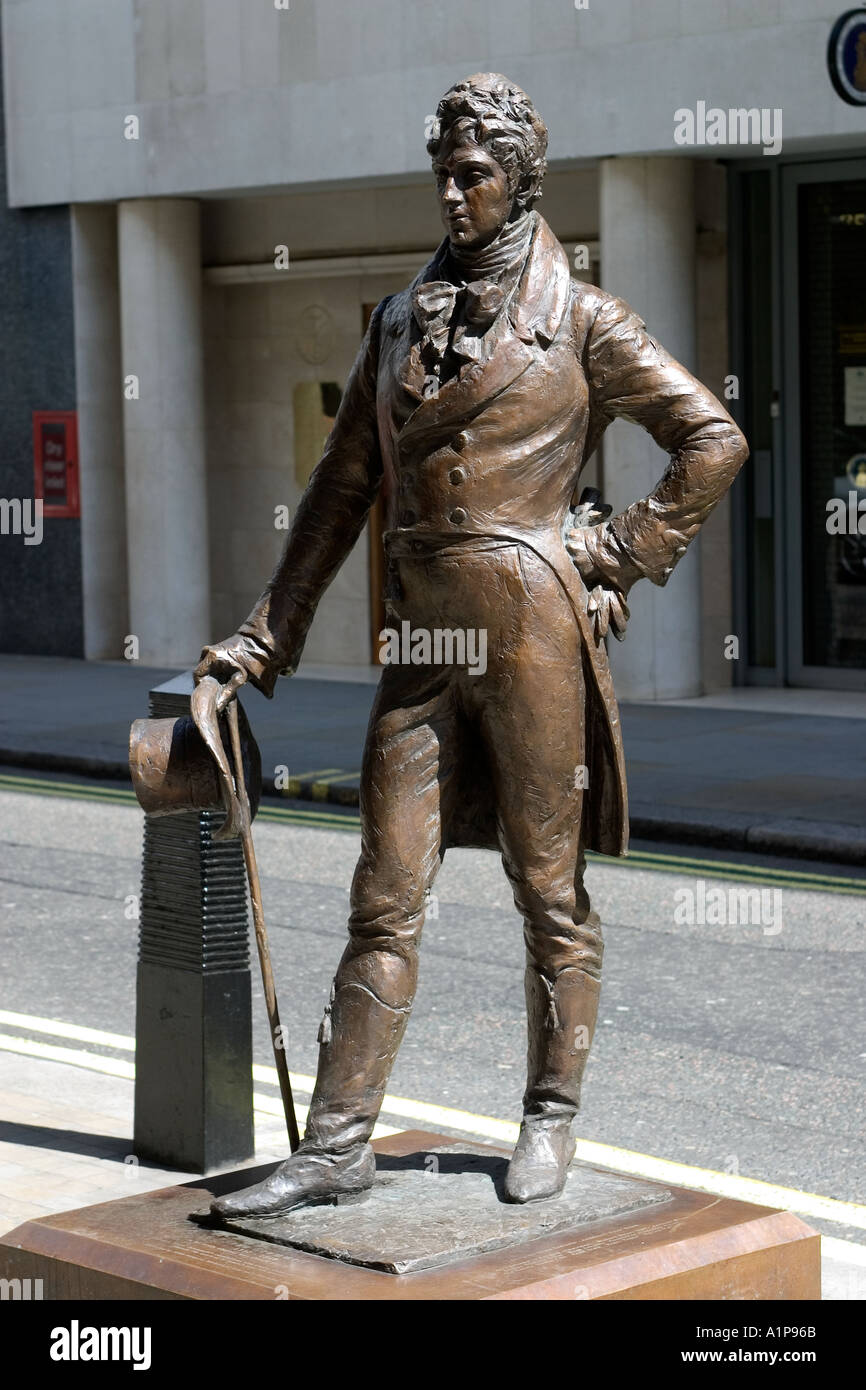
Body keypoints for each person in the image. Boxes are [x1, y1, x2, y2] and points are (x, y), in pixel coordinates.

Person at [196, 73, 748, 1218]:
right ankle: (337, 1142)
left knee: (547, 887)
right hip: (420, 646)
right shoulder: (399, 318)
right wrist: (266, 633)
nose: (450, 193)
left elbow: (711, 437)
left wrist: (615, 554)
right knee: (383, 890)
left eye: (473, 174)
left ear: (520, 180)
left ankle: (548, 1114)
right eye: (439, 173)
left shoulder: (581, 318)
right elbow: (341, 485)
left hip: (531, 635)